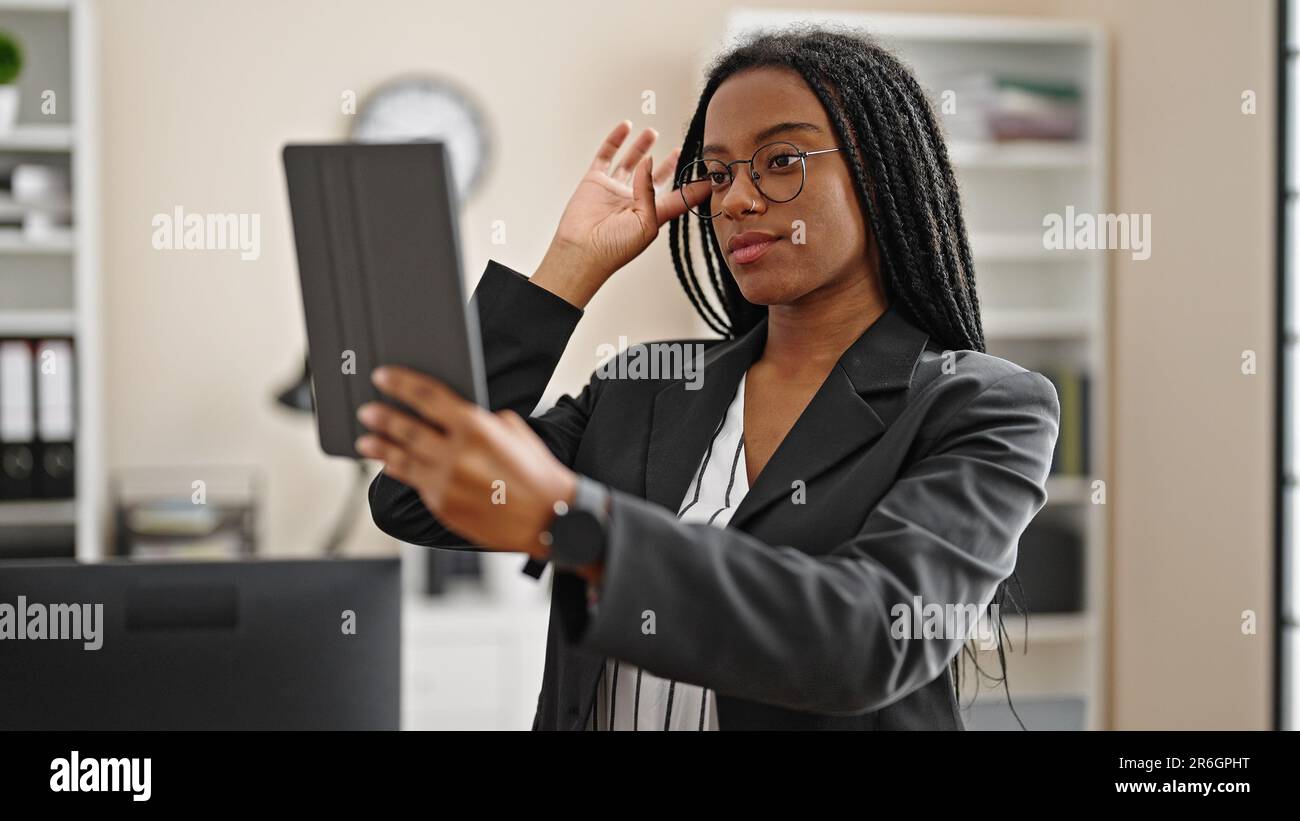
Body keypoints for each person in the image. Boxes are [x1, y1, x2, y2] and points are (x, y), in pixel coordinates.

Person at [360, 26, 1060, 730]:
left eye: (780, 160)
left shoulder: (986, 407)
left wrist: (575, 525)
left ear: (879, 173)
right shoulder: (643, 386)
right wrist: (569, 268)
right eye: (719, 173)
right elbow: (412, 495)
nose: (735, 201)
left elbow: (870, 638)